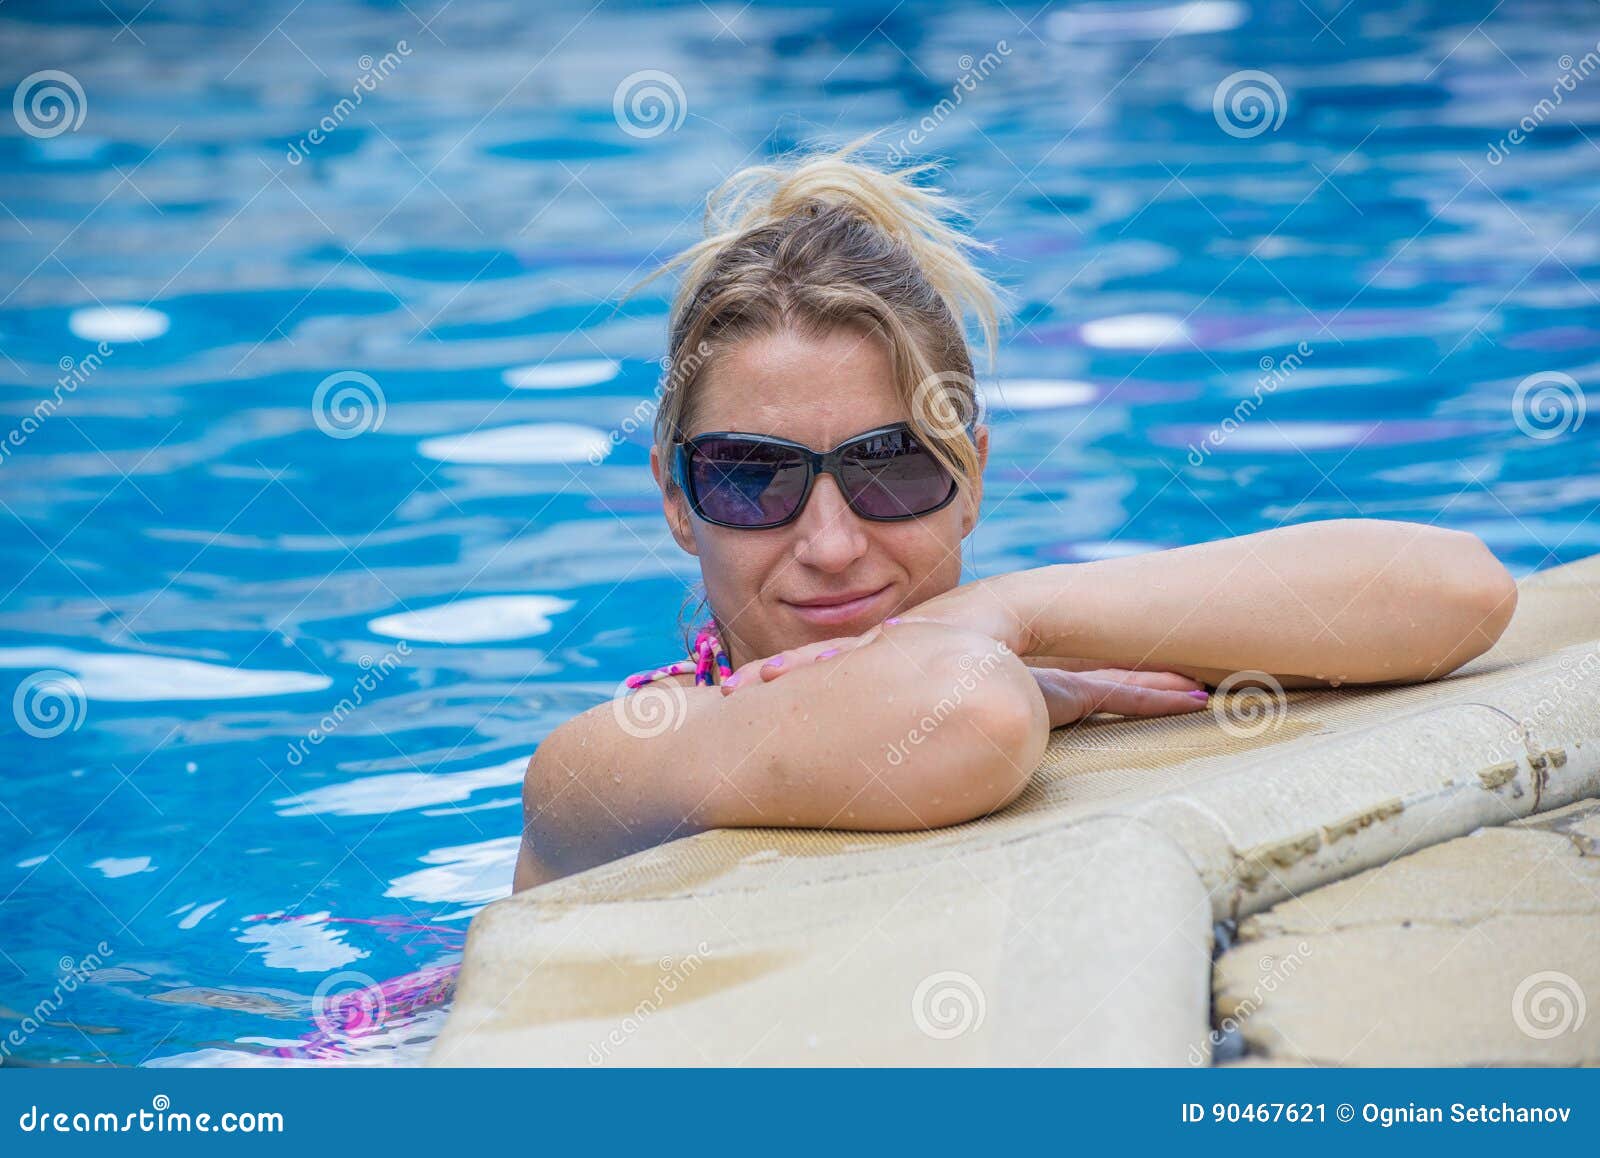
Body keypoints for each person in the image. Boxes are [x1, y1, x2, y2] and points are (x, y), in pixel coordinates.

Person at [512, 142, 1517, 891]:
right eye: (751, 477)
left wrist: (1003, 610)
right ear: (677, 501)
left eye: (893, 466)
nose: (829, 543)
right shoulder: (603, 765)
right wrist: (973, 640)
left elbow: (1457, 591)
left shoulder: (1015, 645)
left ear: (973, 472)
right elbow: (968, 720)